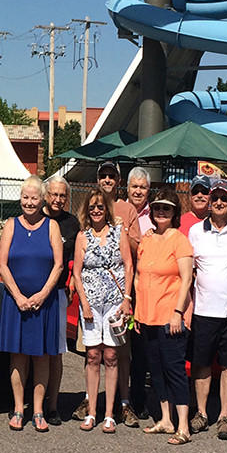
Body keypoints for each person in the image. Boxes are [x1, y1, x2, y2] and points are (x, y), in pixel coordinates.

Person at [0, 176, 64, 433]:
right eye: (25, 197)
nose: (29, 202)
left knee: (41, 356)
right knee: (18, 355)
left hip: (43, 303)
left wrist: (42, 295)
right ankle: (18, 408)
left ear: (43, 199)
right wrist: (18, 296)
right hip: (17, 303)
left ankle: (38, 410)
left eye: (34, 198)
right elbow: (2, 264)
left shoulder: (51, 227)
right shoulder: (11, 225)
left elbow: (58, 264)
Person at [187, 178, 227, 440]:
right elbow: (188, 272)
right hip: (203, 310)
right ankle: (201, 413)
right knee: (201, 365)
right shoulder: (195, 232)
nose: (220, 203)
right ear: (209, 203)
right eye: (215, 199)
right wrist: (186, 308)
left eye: (224, 199)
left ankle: (224, 416)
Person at [135, 187, 193, 445]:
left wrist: (178, 312)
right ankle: (166, 419)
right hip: (147, 315)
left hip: (171, 315)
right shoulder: (146, 239)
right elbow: (138, 277)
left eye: (166, 208)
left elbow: (186, 279)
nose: (161, 212)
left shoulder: (179, 240)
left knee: (174, 370)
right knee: (155, 369)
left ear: (174, 212)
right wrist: (137, 311)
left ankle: (183, 426)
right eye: (157, 207)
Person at [72, 189, 132, 433]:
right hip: (91, 305)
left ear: (107, 209)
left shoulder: (119, 233)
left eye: (100, 206)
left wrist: (127, 299)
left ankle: (109, 414)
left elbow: (128, 265)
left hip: (115, 304)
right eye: (92, 207)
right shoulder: (82, 237)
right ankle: (92, 412)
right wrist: (84, 303)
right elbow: (76, 272)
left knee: (111, 356)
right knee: (93, 355)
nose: (96, 211)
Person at [92, 160, 144, 425]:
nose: (108, 180)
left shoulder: (128, 210)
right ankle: (92, 403)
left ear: (118, 180)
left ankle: (123, 403)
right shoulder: (91, 205)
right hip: (92, 295)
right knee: (92, 351)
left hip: (118, 293)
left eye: (112, 176)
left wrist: (123, 230)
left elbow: (137, 250)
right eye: (104, 175)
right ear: (98, 179)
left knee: (119, 352)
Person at [42, 175, 79, 426]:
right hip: (31, 293)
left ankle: (52, 406)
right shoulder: (35, 218)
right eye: (53, 194)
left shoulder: (72, 224)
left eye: (62, 195)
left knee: (55, 353)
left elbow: (78, 257)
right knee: (33, 352)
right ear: (46, 195)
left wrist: (74, 280)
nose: (57, 199)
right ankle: (31, 404)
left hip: (58, 294)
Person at [127, 167, 153, 235]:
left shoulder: (155, 214)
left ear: (148, 190)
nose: (138, 192)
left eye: (142, 187)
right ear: (128, 188)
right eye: (134, 186)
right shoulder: (118, 211)